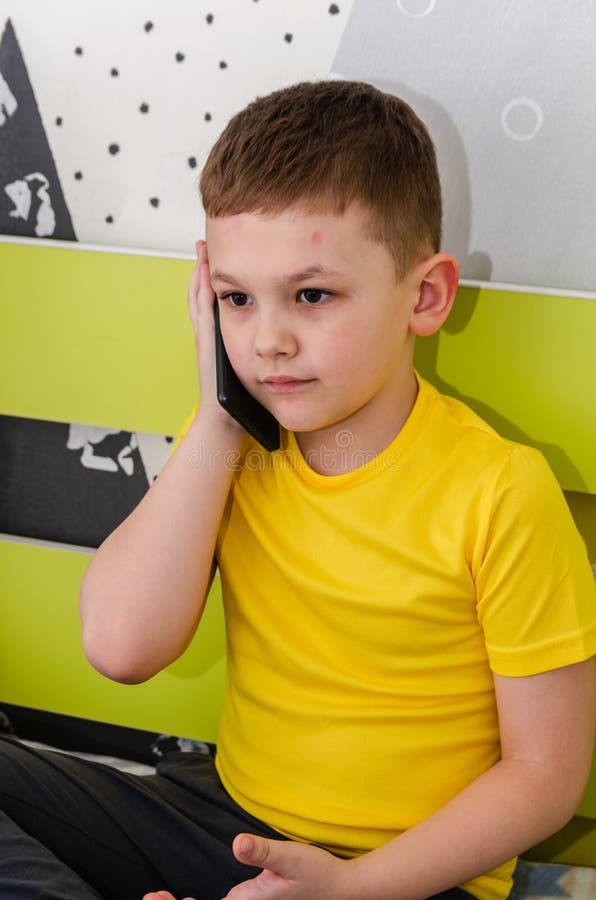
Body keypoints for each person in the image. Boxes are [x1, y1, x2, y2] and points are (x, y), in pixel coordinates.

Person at [1, 80, 595, 900]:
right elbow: (120, 646)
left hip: (405, 875)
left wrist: (348, 891)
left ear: (424, 296)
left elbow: (545, 776)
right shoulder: (235, 452)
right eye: (237, 299)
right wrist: (216, 420)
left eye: (312, 295)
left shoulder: (498, 492)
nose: (268, 340)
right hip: (225, 821)